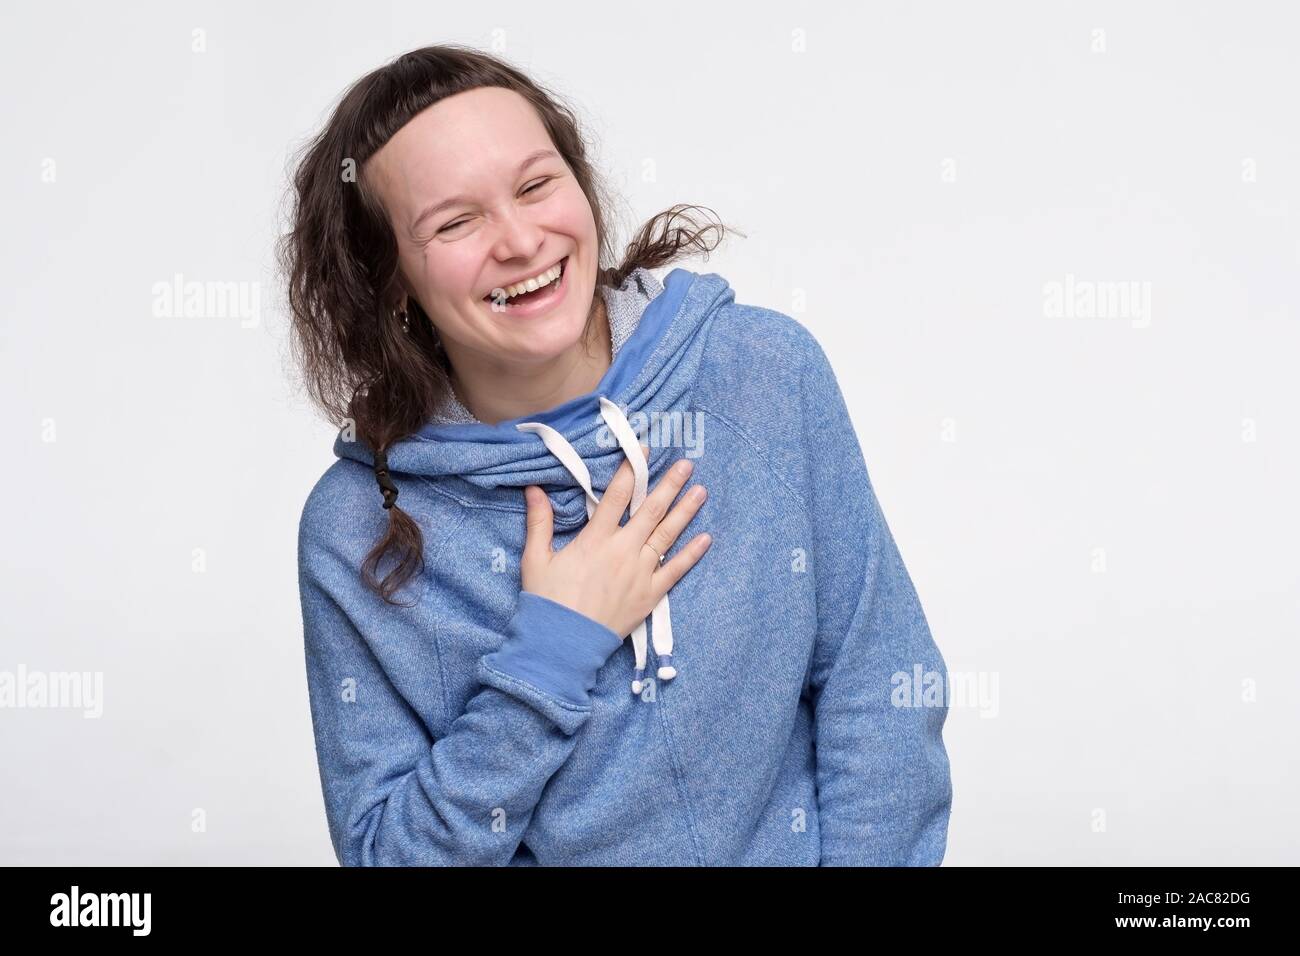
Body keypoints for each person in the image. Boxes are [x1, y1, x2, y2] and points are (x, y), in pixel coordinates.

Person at [281, 43, 953, 866]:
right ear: (389, 280)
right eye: (455, 222)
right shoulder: (356, 527)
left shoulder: (764, 375)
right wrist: (549, 654)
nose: (521, 240)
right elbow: (389, 855)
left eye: (536, 185)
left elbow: (879, 695)